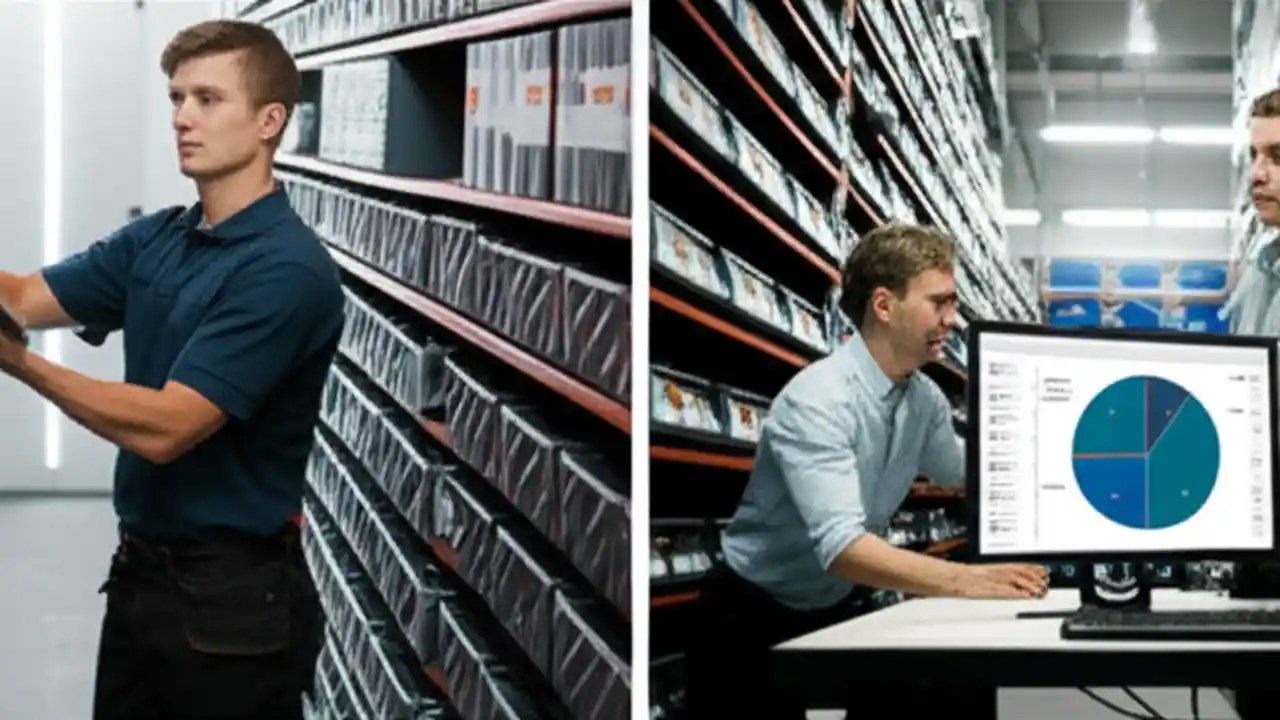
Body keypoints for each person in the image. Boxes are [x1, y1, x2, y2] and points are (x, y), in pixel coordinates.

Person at [0, 20, 342, 720]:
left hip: (233, 609)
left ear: (269, 120)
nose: (183, 117)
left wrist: (20, 365)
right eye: (177, 98)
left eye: (208, 99)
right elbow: (23, 297)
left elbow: (170, 427)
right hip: (138, 581)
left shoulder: (287, 271)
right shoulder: (159, 238)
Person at [682, 222, 1048, 718]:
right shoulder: (818, 400)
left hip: (836, 602)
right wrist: (967, 580)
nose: (953, 319)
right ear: (884, 305)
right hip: (751, 613)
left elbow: (968, 474)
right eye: (939, 302)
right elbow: (842, 547)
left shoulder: (924, 400)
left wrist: (1041, 448)